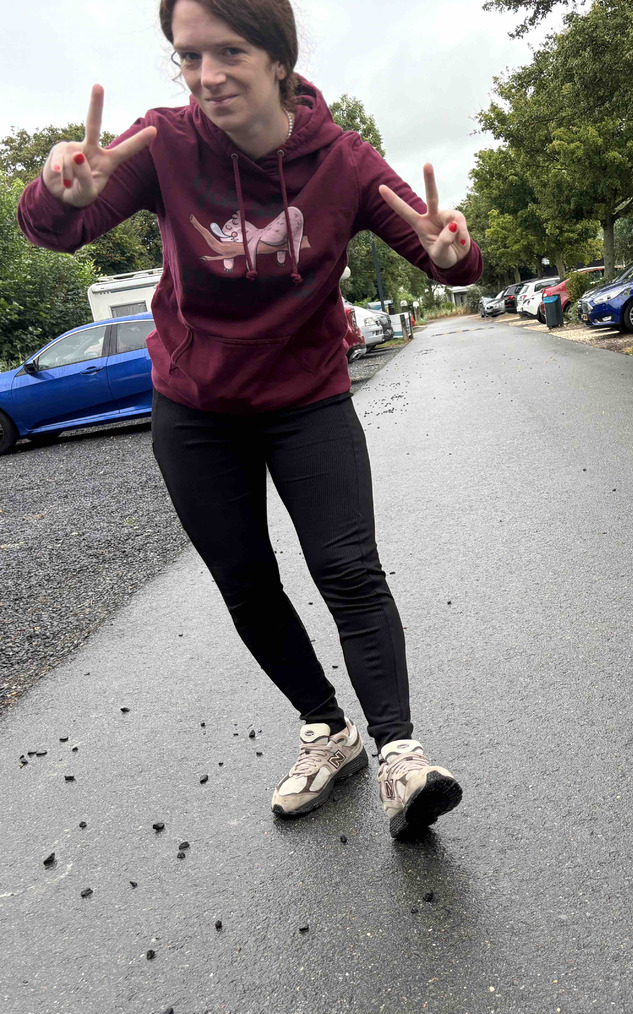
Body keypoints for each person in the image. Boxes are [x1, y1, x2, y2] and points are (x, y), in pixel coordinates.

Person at [16, 0, 482, 839]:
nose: (206, 77)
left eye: (227, 51)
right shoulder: (162, 141)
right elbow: (60, 226)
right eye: (187, 56)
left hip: (308, 398)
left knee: (348, 569)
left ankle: (400, 758)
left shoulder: (340, 160)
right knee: (246, 582)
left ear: (277, 57)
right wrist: (55, 196)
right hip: (195, 408)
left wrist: (455, 255)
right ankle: (326, 729)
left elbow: (438, 245)